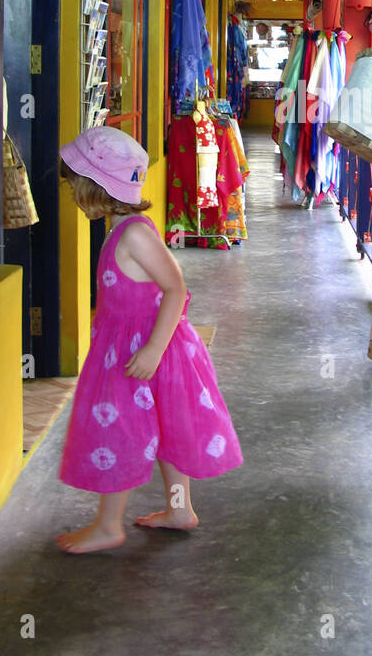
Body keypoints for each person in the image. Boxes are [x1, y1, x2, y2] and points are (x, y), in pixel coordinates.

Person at [55, 126, 243, 554]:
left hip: (148, 352)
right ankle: (180, 510)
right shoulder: (121, 228)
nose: (71, 194)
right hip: (135, 349)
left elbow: (177, 289)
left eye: (75, 186)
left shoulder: (134, 234)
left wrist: (154, 350)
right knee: (166, 429)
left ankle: (108, 526)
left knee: (117, 431)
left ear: (97, 187)